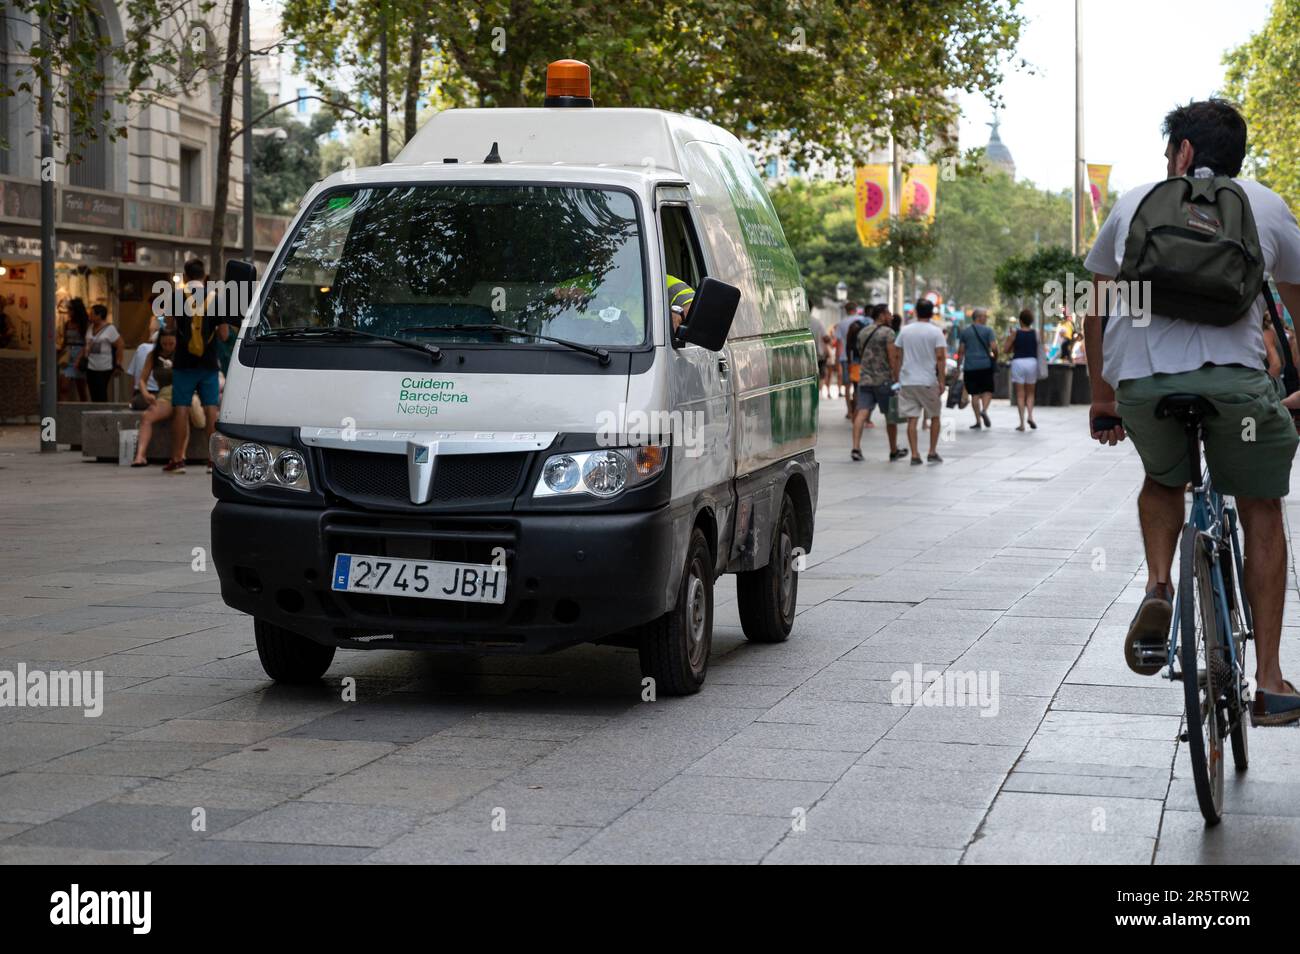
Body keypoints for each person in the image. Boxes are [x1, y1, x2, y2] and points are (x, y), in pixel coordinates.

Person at [1086, 99, 1300, 724]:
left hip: (1145, 384)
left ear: (1181, 151)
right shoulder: (1263, 203)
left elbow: (1094, 305)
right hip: (1237, 387)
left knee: (1162, 479)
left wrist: (1103, 397)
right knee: (1260, 504)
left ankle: (1159, 584)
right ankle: (1269, 680)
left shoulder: (1133, 201)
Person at [169, 258, 229, 475]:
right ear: (204, 276)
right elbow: (223, 334)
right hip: (208, 362)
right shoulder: (215, 299)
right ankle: (212, 461)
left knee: (181, 408)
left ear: (185, 276)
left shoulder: (177, 296)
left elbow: (168, 325)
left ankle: (177, 460)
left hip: (183, 362)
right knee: (211, 409)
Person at [889, 298, 946, 464]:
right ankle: (932, 451)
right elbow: (941, 357)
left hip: (907, 380)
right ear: (931, 313)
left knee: (912, 419)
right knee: (935, 416)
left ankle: (914, 454)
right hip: (928, 380)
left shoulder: (905, 331)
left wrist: (897, 376)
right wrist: (941, 380)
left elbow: (897, 355)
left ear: (915, 311)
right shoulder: (936, 332)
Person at [851, 304, 906, 462]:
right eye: (889, 313)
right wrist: (896, 378)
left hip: (865, 379)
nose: (891, 316)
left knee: (862, 412)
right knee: (890, 416)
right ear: (881, 315)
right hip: (883, 380)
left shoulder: (863, 331)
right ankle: (893, 450)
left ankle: (855, 448)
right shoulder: (888, 332)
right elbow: (892, 357)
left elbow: (861, 352)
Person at [129, 328, 178, 467]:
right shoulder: (153, 355)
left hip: (182, 392)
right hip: (164, 394)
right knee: (147, 416)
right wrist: (145, 393)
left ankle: (178, 457)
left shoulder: (182, 354)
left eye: (171, 344)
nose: (168, 347)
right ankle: (140, 456)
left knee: (180, 414)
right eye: (164, 344)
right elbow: (142, 380)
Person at [957, 308, 997, 430]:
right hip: (985, 365)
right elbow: (994, 347)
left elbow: (961, 351)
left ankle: (978, 421)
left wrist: (958, 366)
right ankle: (984, 410)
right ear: (979, 317)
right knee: (987, 390)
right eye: (985, 316)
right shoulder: (988, 331)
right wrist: (995, 357)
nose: (986, 318)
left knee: (974, 394)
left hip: (970, 367)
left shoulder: (965, 332)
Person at [1003, 309, 1039, 431]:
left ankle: (1022, 423)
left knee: (1020, 394)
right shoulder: (1036, 333)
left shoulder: (1015, 333)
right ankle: (1030, 416)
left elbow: (1006, 350)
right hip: (1032, 362)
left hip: (1018, 362)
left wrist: (1010, 338)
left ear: (1020, 320)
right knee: (1030, 393)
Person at [83, 303, 123, 402]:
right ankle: (94, 413)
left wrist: (118, 364)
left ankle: (103, 413)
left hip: (104, 367)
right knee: (92, 392)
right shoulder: (90, 327)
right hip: (90, 366)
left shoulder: (110, 329)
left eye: (92, 314)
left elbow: (120, 345)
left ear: (99, 315)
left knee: (101, 392)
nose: (90, 316)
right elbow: (87, 344)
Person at [59, 298, 91, 402]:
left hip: (80, 354)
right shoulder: (67, 323)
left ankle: (83, 411)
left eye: (70, 309)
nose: (68, 311)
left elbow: (88, 343)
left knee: (81, 389)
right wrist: (60, 352)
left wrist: (81, 356)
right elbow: (65, 340)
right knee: (64, 387)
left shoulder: (85, 324)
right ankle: (63, 412)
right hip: (68, 354)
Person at [834, 301, 859, 418]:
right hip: (859, 357)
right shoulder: (862, 320)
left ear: (846, 310)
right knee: (858, 385)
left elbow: (838, 343)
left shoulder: (841, 323)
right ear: (856, 308)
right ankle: (857, 410)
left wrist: (836, 359)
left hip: (845, 357)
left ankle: (849, 411)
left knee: (847, 385)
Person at [809, 313, 831, 399]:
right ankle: (818, 392)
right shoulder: (817, 322)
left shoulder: (797, 321)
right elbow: (825, 338)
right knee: (821, 374)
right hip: (818, 353)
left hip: (803, 355)